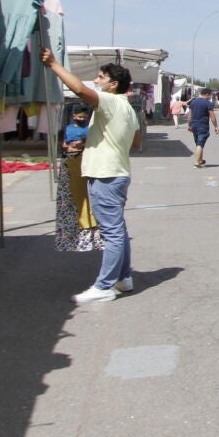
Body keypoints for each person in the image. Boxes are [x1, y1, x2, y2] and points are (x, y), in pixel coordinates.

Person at [41, 49, 143, 303]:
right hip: (115, 171)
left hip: (106, 174)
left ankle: (104, 285)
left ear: (113, 84)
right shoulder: (127, 108)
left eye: (100, 77)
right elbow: (135, 141)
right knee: (117, 227)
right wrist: (95, 141)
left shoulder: (110, 101)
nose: (96, 81)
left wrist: (54, 64)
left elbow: (80, 91)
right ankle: (123, 277)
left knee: (112, 232)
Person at [187, 87, 216, 167]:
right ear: (207, 94)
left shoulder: (193, 102)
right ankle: (196, 162)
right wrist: (216, 127)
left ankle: (200, 160)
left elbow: (190, 115)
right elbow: (212, 117)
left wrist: (189, 125)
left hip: (194, 126)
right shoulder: (208, 103)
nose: (210, 97)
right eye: (210, 95)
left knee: (198, 144)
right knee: (200, 144)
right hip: (203, 126)